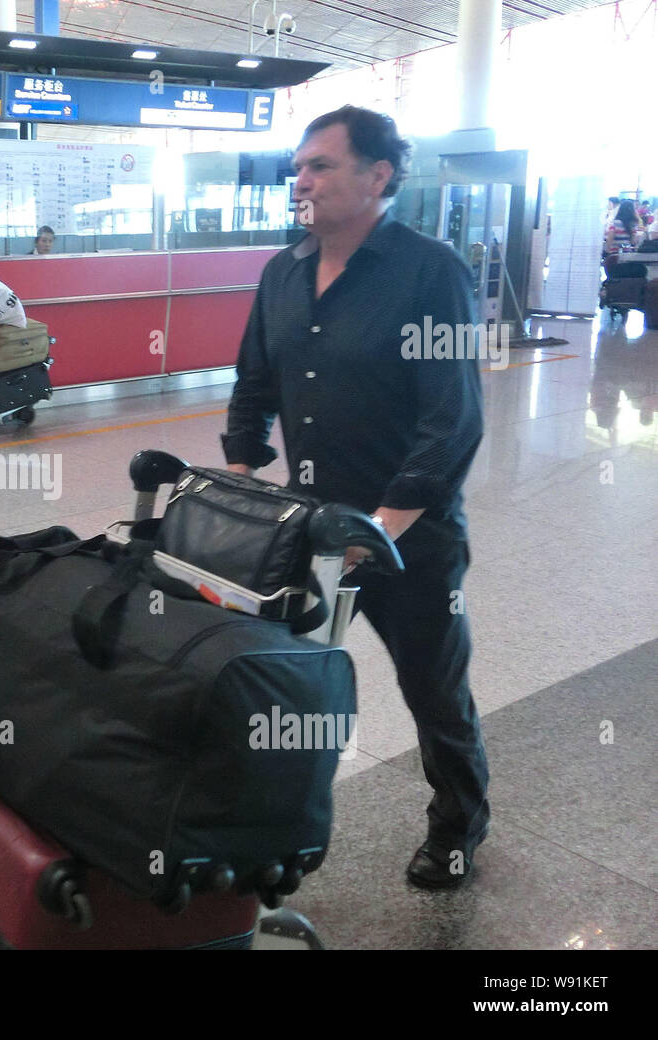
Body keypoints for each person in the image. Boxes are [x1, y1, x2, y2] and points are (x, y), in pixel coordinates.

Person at [223, 104, 490, 890]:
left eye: (321, 165)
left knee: (433, 688)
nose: (300, 179)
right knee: (287, 684)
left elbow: (454, 419)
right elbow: (253, 383)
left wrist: (386, 524)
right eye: (299, 166)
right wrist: (240, 481)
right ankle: (278, 823)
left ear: (379, 176)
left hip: (409, 536)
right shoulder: (283, 271)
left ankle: (458, 824)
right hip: (304, 530)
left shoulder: (429, 270)